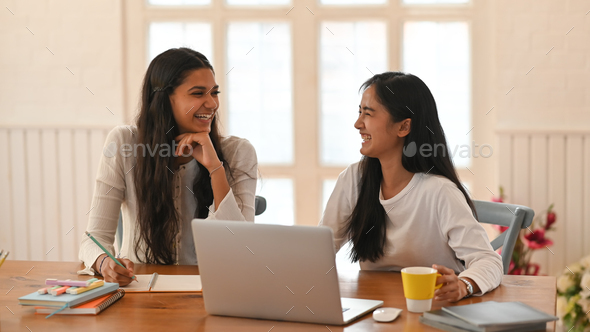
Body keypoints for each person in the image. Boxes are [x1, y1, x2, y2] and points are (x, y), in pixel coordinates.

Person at [79, 48, 257, 286]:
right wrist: (105, 263)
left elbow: (240, 250)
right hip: (139, 291)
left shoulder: (238, 152)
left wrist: (215, 169)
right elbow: (93, 239)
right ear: (164, 100)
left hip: (210, 290)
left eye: (215, 92)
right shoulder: (124, 143)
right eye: (198, 93)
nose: (212, 103)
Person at [319, 72, 503, 302]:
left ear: (404, 127)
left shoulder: (439, 192)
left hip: (435, 309)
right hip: (377, 311)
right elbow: (321, 249)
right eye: (359, 112)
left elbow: (488, 261)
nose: (358, 124)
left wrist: (464, 284)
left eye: (368, 114)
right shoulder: (353, 179)